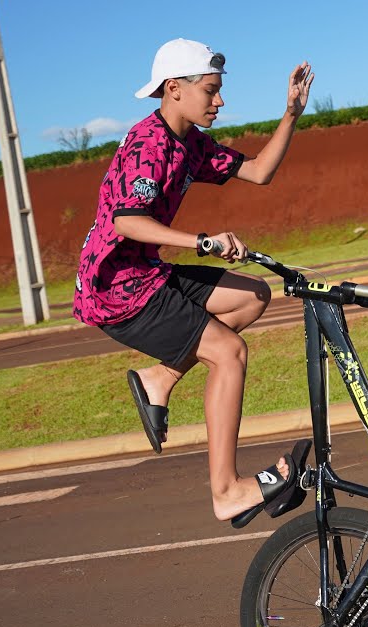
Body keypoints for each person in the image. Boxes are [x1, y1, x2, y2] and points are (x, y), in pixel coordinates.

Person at [71, 38, 315, 526]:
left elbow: (260, 172)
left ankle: (159, 378)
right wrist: (203, 242)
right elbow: (126, 222)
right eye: (211, 90)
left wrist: (290, 113)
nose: (219, 101)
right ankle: (226, 491)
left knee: (251, 297)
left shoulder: (190, 143)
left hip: (146, 274)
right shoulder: (149, 144)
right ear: (174, 88)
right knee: (229, 353)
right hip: (118, 289)